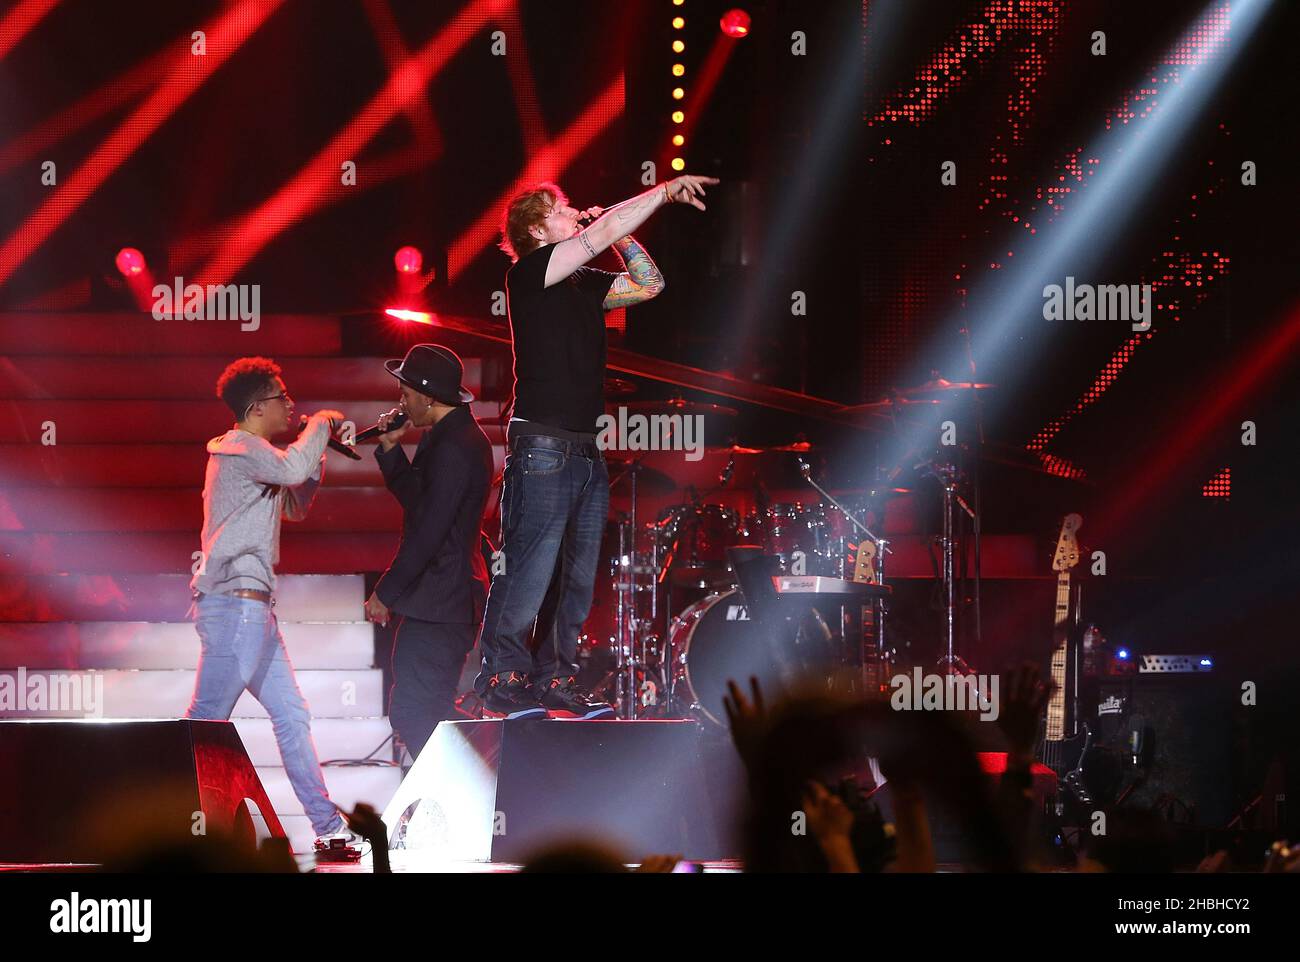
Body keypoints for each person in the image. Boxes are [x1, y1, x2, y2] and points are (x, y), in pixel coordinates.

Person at [475, 173, 719, 719]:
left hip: (585, 448)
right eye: (562, 210)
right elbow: (604, 224)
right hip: (542, 444)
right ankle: (501, 673)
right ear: (538, 227)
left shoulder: (583, 282)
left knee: (577, 576)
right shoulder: (531, 271)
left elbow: (649, 283)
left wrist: (620, 236)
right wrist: (661, 193)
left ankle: (555, 677)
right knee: (529, 569)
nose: (573, 214)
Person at [187, 357, 350, 843]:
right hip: (236, 607)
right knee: (205, 723)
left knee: (291, 715)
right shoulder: (240, 447)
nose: (292, 406)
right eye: (283, 398)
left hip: (254, 610)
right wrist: (321, 425)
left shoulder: (257, 457)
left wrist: (320, 453)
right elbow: (293, 467)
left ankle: (328, 828)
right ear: (257, 408)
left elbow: (296, 504)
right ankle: (166, 819)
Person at [364, 344, 498, 750]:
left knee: (416, 711)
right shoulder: (447, 436)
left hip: (443, 599)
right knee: (424, 710)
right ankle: (474, 781)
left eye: (405, 393)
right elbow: (424, 509)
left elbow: (430, 532)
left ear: (426, 395)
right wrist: (390, 451)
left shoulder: (455, 446)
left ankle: (486, 770)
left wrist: (386, 591)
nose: (400, 401)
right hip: (439, 599)